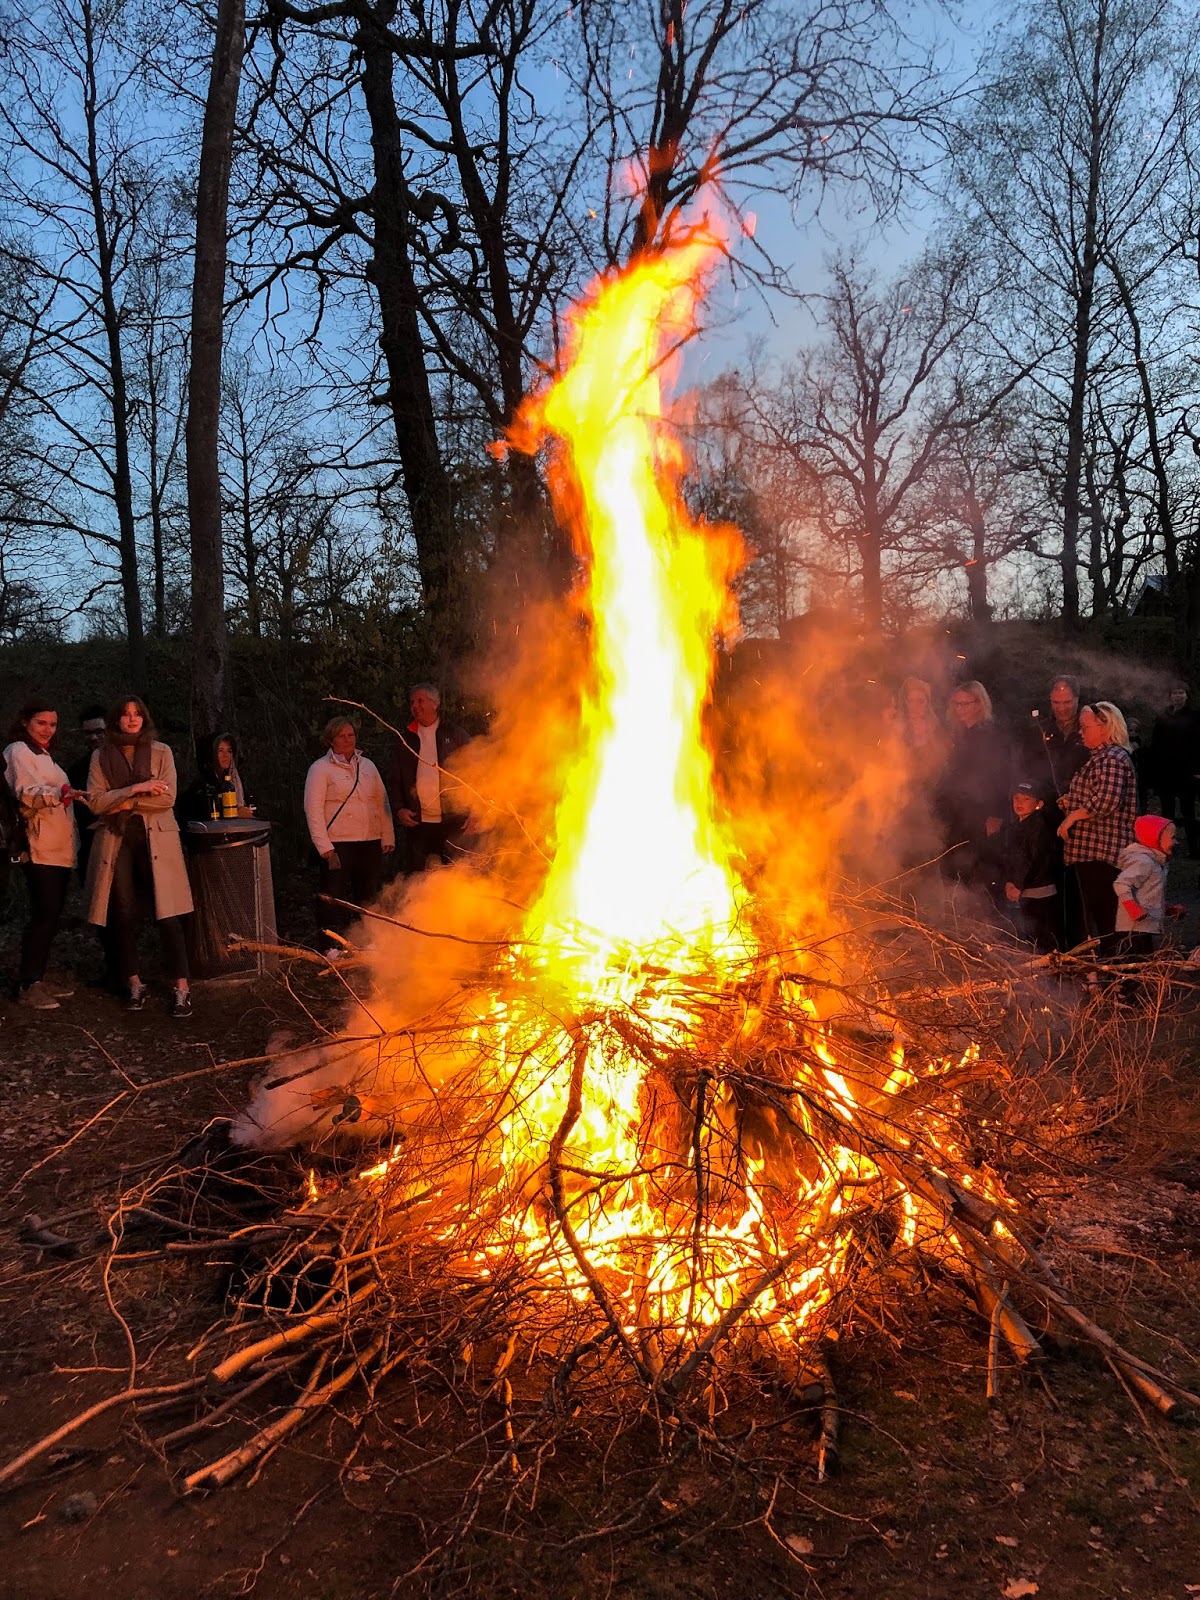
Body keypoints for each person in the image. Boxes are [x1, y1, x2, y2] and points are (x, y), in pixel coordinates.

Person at [84, 697, 194, 1017]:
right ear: (116, 720)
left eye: (137, 714)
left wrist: (123, 803)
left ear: (144, 719)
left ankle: (182, 986)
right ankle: (134, 982)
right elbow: (95, 802)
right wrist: (136, 789)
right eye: (125, 714)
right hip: (116, 840)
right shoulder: (101, 755)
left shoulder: (161, 751)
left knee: (168, 913)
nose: (132, 719)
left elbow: (168, 799)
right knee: (123, 912)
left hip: (156, 837)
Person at [3, 700, 80, 1009]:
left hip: (58, 848)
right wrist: (59, 794)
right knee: (44, 913)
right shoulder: (18, 751)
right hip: (39, 846)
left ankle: (36, 977)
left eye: (53, 724)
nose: (48, 729)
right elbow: (25, 792)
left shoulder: (44, 756)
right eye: (41, 723)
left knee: (50, 915)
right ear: (25, 722)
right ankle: (28, 984)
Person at [304, 716, 394, 957]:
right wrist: (323, 844)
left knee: (368, 894)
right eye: (341, 736)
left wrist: (387, 836)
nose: (347, 740)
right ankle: (329, 946)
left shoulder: (368, 766)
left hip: (369, 840)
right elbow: (313, 808)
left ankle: (369, 943)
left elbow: (382, 801)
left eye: (350, 735)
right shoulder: (320, 769)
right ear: (331, 740)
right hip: (337, 843)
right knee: (331, 896)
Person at [1057, 701, 1138, 956]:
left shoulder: (1112, 758)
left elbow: (1106, 801)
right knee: (1099, 918)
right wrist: (1070, 802)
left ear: (1104, 727)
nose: (1080, 732)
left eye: (1085, 727)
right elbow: (1095, 795)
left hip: (1103, 852)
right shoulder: (1100, 758)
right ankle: (1106, 966)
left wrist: (1072, 817)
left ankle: (1116, 969)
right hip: (1091, 852)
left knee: (1107, 918)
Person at [934, 680, 1011, 903]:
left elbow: (1002, 776)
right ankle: (954, 914)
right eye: (956, 704)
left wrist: (997, 813)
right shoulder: (955, 735)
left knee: (978, 872)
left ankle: (982, 918)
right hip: (955, 814)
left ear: (979, 704)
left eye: (965, 704)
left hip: (980, 815)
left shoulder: (991, 735)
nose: (960, 709)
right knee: (951, 868)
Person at [388, 684, 472, 872]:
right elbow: (395, 778)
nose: (415, 706)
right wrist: (399, 809)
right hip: (418, 823)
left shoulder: (454, 734)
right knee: (417, 876)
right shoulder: (406, 739)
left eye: (420, 701)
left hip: (453, 821)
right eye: (412, 702)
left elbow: (476, 771)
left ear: (435, 703)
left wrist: (476, 813)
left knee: (455, 874)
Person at [1113, 814, 1183, 958]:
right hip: (1133, 928)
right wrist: (1132, 908)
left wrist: (1166, 908)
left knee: (1145, 959)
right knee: (1136, 961)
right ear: (1155, 838)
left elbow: (1148, 894)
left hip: (1145, 926)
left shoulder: (1157, 862)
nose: (1175, 842)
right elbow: (1121, 884)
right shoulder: (1143, 862)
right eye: (1172, 837)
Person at [1002, 781, 1060, 952]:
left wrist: (1018, 884)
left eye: (1026, 799)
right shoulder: (1017, 826)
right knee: (1028, 937)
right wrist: (1009, 882)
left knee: (1039, 938)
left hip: (1038, 891)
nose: (1019, 802)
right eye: (1017, 798)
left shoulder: (1039, 826)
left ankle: (1047, 966)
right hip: (1025, 890)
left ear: (1038, 804)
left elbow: (1033, 859)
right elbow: (1012, 859)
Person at [1148, 684, 1200, 855]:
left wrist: (1197, 769)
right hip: (1166, 772)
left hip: (1187, 773)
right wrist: (1154, 772)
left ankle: (1194, 849)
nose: (1178, 696)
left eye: (1181, 693)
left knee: (1188, 811)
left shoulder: (1194, 717)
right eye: (1175, 693)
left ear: (1186, 696)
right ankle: (1166, 846)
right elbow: (1155, 745)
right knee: (1167, 812)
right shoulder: (1163, 717)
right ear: (1170, 696)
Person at [179, 732, 251, 824]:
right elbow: (201, 813)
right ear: (211, 753)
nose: (226, 755)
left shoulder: (235, 779)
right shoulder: (201, 783)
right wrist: (234, 812)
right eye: (220, 751)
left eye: (229, 751)